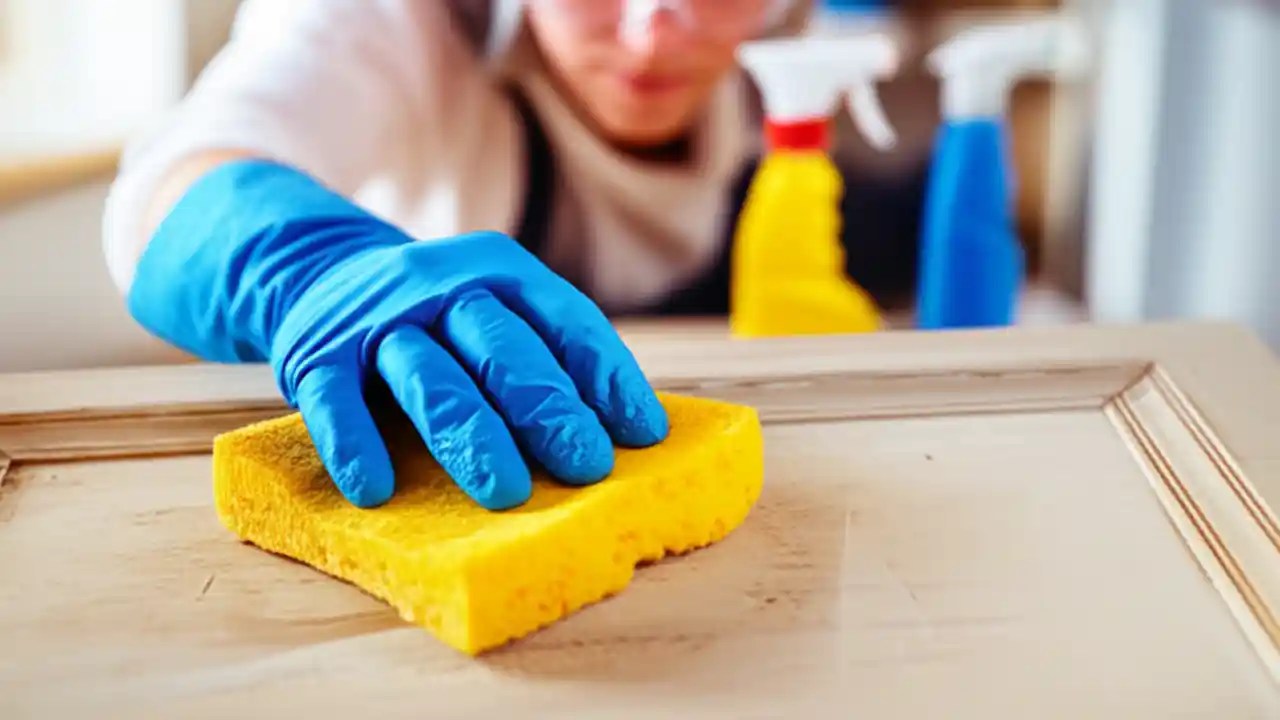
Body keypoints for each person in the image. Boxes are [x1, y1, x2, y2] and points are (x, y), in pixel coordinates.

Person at [103, 0, 923, 512]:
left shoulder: (774, 58)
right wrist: (309, 266)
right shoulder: (390, 22)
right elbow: (170, 185)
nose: (653, 28)